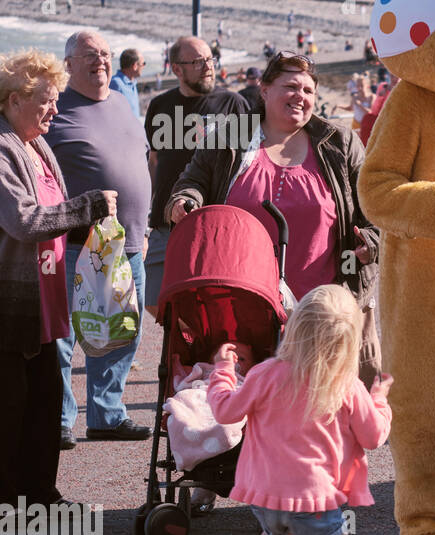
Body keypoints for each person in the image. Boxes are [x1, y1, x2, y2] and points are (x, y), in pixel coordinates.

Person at [165, 51, 381, 385]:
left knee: (325, 411)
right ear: (264, 90)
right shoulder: (229, 136)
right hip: (243, 310)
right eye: (291, 86)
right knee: (255, 410)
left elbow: (375, 208)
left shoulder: (340, 143)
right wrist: (186, 201)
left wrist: (371, 242)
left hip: (325, 308)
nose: (301, 97)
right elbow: (191, 182)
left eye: (309, 91)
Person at [212, 284, 392, 535]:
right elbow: (374, 436)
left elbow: (226, 411)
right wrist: (380, 400)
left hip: (264, 496)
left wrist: (224, 370)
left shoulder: (266, 373)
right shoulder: (346, 385)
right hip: (313, 497)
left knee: (274, 532)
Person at [0, 50, 117, 503]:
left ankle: (41, 493)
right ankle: (10, 501)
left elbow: (55, 217)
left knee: (44, 406)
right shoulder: (4, 148)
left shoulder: (37, 145)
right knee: (11, 409)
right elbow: (24, 221)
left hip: (46, 300)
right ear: (14, 101)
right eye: (46, 101)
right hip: (13, 305)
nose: (55, 109)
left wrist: (93, 227)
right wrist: (87, 206)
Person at [46, 31, 152, 445]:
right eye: (89, 55)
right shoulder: (54, 106)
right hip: (74, 244)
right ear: (68, 63)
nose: (101, 61)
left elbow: (140, 159)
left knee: (122, 330)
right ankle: (57, 419)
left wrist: (143, 228)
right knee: (64, 336)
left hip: (128, 245)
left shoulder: (121, 101)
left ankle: (107, 415)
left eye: (105, 54)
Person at [143, 37, 252, 319]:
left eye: (210, 60)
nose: (208, 67)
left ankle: (195, 351)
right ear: (177, 69)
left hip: (214, 223)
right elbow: (154, 160)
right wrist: (148, 212)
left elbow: (247, 165)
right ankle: (186, 336)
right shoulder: (160, 105)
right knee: (153, 298)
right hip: (166, 220)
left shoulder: (234, 104)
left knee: (211, 299)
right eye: (198, 62)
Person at [109, 48, 144, 117]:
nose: (143, 66)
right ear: (135, 66)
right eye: (143, 63)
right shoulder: (115, 83)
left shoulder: (132, 83)